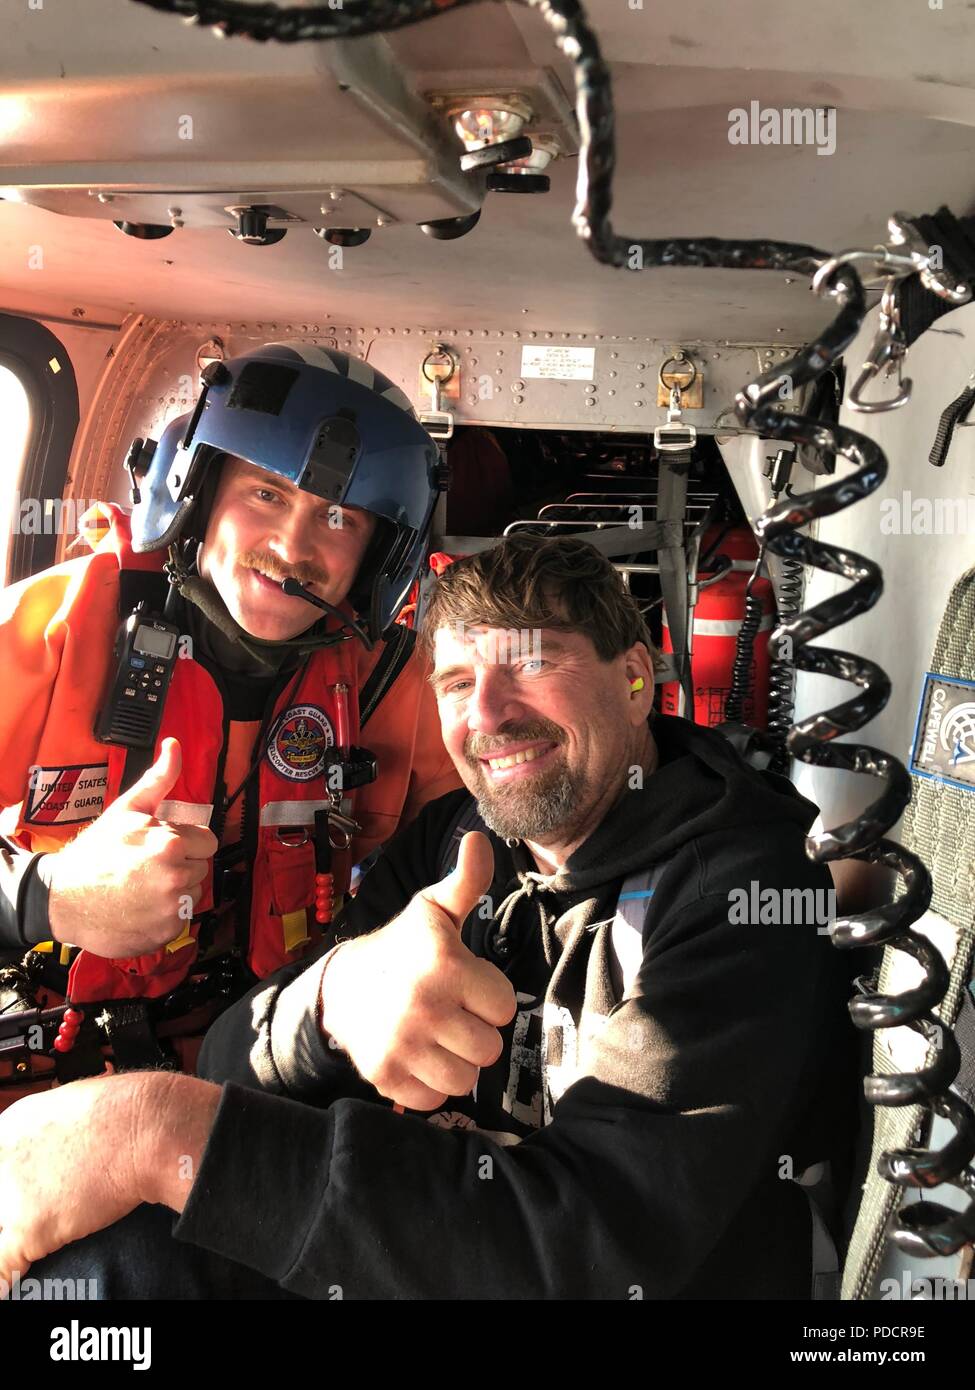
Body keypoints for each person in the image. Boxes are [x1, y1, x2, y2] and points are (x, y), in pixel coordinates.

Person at [0, 535, 858, 1299]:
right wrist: (334, 1001)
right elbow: (234, 1054)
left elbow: (592, 1248)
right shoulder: (456, 841)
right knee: (114, 1267)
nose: (485, 715)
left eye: (529, 664)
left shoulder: (741, 892)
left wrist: (155, 1133)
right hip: (443, 1237)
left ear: (635, 681)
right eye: (455, 680)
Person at [0, 343, 460, 1086]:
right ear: (198, 490)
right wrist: (48, 899)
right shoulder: (58, 626)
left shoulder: (398, 685)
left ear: (379, 554)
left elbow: (471, 842)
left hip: (277, 1068)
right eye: (266, 495)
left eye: (339, 518)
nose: (292, 548)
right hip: (54, 1069)